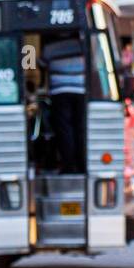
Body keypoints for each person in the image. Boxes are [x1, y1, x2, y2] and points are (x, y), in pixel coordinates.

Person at [41, 37, 87, 174]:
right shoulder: (82, 44)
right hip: (81, 90)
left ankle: (68, 166)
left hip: (60, 92)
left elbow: (37, 65)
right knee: (80, 129)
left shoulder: (49, 47)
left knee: (64, 130)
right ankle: (82, 165)